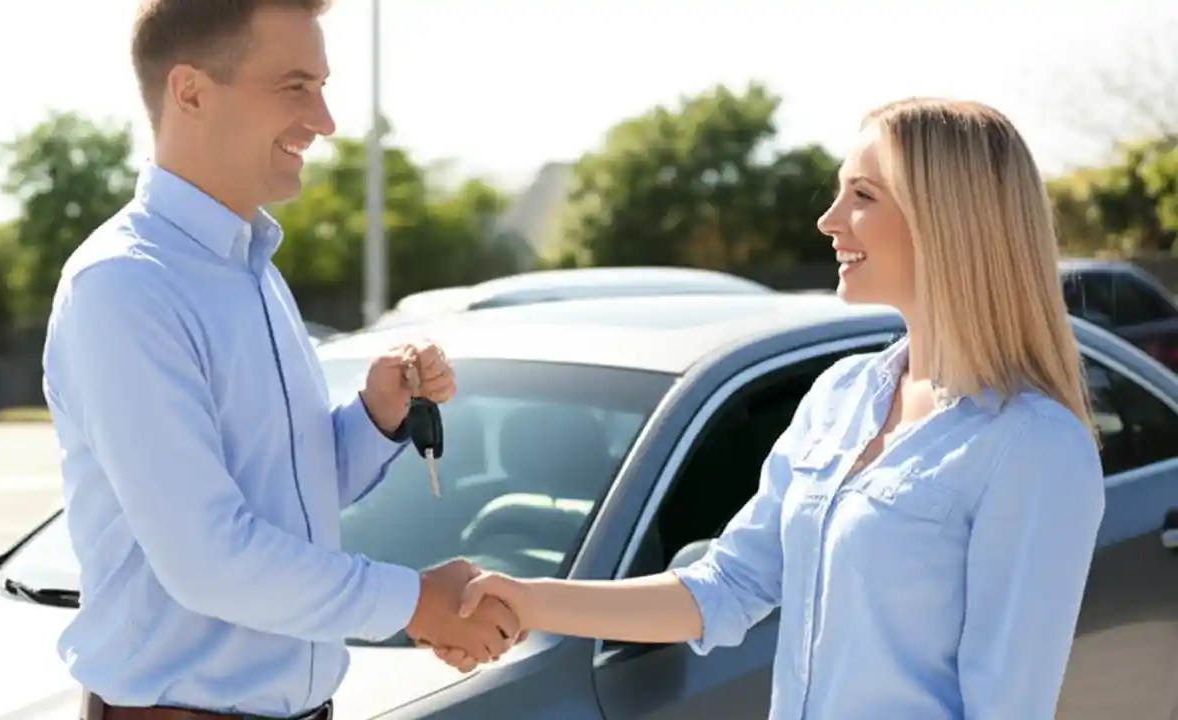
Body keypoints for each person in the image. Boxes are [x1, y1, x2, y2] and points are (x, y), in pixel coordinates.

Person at [437, 98, 1107, 719]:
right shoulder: (841, 396)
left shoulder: (1033, 446)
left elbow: (1007, 707)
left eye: (862, 195)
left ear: (946, 220)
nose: (829, 219)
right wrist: (528, 599)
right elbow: (722, 586)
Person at [42, 2, 519, 718]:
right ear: (191, 92)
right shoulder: (124, 286)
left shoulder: (255, 270)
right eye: (296, 86)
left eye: (322, 87)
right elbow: (210, 560)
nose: (324, 120)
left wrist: (375, 416)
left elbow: (289, 494)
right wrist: (418, 604)